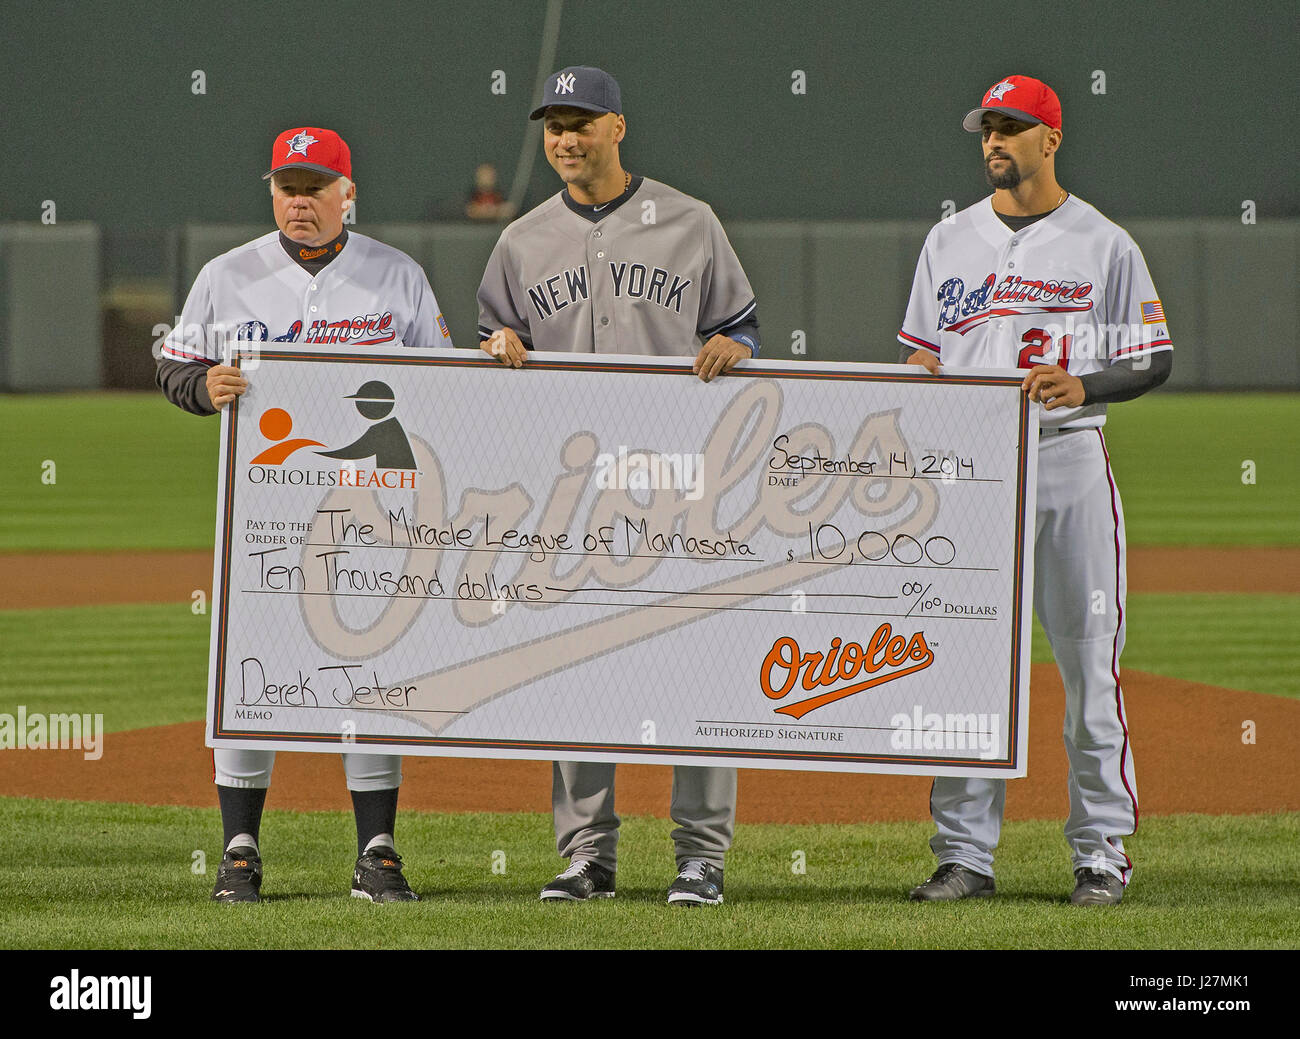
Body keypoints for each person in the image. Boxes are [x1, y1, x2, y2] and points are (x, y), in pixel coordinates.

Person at [476, 66, 760, 905]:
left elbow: (737, 322)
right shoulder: (522, 238)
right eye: (554, 124)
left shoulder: (689, 220)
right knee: (577, 669)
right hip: (573, 489)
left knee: (699, 665)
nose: (567, 137)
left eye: (583, 121)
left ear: (618, 127)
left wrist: (736, 344)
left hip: (679, 480)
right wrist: (496, 346)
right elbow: (493, 331)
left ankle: (700, 857)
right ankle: (586, 856)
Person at [156, 125, 454, 903]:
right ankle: (240, 850)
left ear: (346, 194)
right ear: (273, 192)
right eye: (288, 186)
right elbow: (175, 362)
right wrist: (202, 387)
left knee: (370, 669)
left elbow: (449, 384)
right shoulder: (229, 275)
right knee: (251, 669)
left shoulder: (396, 276)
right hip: (267, 512)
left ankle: (377, 852)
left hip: (374, 513)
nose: (299, 201)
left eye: (316, 186)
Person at [897, 76, 1172, 906]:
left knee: (1090, 670)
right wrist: (919, 369)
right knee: (965, 673)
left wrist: (1085, 385)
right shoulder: (949, 239)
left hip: (1066, 463)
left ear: (1051, 138)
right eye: (987, 128)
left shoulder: (1103, 242)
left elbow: (1152, 356)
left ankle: (1100, 853)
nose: (994, 142)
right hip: (971, 474)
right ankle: (965, 857)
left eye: (1012, 128)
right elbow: (920, 348)